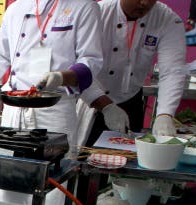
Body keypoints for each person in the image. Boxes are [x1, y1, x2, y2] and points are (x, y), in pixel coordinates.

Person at [0, 0, 104, 205]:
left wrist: (62, 76)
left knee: (53, 188)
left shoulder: (84, 7)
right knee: (8, 181)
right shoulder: (16, 9)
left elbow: (91, 61)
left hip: (54, 108)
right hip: (14, 108)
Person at [79, 0, 187, 145]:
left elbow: (172, 71)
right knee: (82, 156)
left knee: (127, 155)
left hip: (131, 99)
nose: (144, 3)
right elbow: (78, 64)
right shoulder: (97, 13)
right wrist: (105, 106)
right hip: (90, 98)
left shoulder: (167, 19)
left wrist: (165, 114)